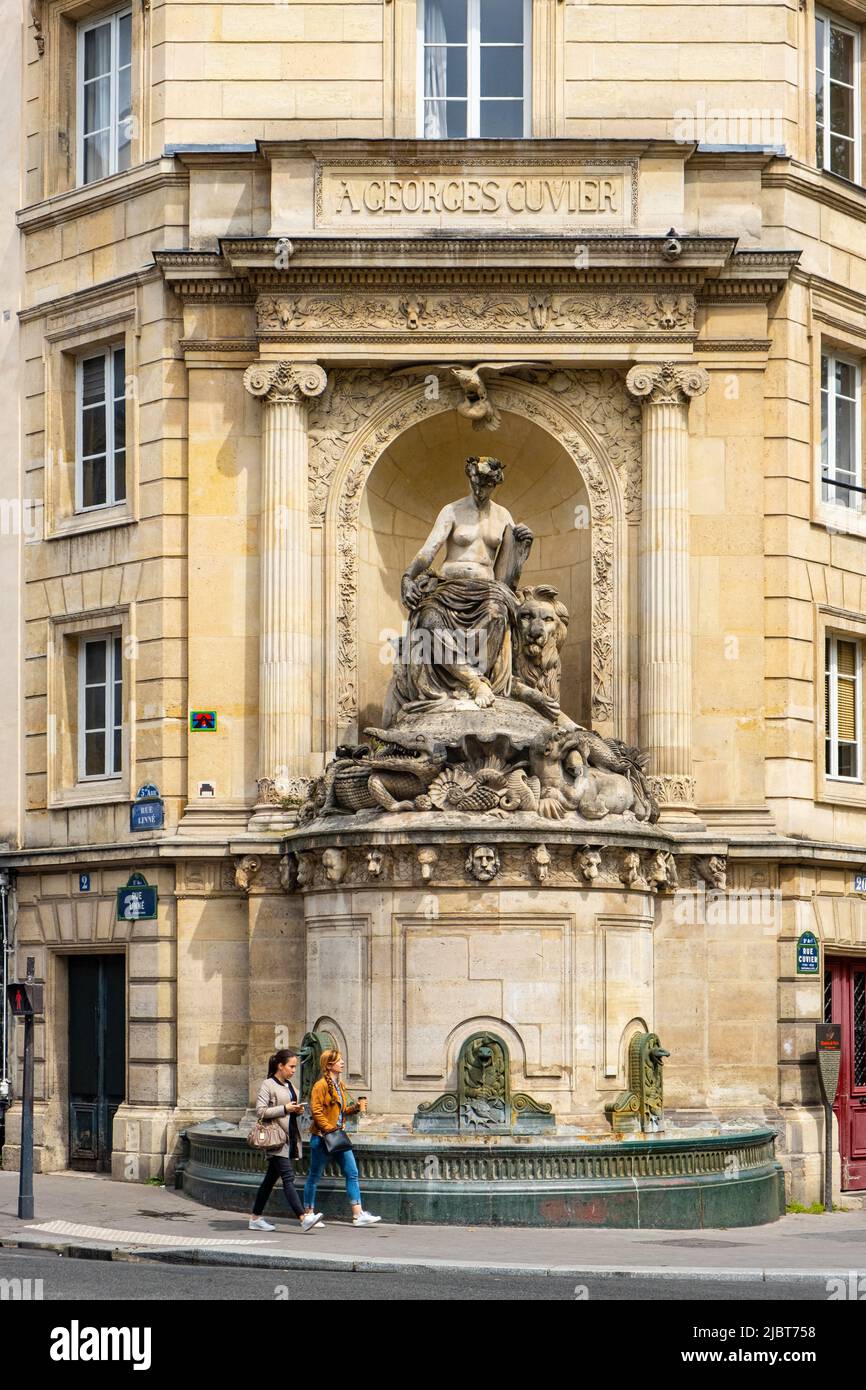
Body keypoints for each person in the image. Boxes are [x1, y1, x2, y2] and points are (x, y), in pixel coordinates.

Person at [383, 455, 533, 723]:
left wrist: (524, 546)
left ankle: (478, 680)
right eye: (475, 483)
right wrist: (408, 577)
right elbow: (429, 550)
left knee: (498, 611)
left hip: (487, 589)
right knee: (428, 619)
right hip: (448, 588)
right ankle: (472, 680)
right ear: (470, 478)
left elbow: (507, 572)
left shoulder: (503, 516)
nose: (479, 490)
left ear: (495, 483)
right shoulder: (451, 510)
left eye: (485, 485)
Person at [303, 1049, 381, 1227]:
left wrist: (355, 1108)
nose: (342, 1063)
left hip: (338, 1137)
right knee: (314, 1176)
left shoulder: (340, 1085)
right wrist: (329, 1129)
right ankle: (308, 1213)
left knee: (352, 1173)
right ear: (329, 1065)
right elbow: (316, 1112)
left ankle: (358, 1215)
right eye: (339, 1061)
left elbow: (340, 1111)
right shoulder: (320, 1085)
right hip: (324, 1137)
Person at [250, 1049, 322, 1233]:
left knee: (269, 1181)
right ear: (280, 1066)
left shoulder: (291, 1086)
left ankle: (255, 1218)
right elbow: (260, 1111)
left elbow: (290, 1110)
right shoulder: (268, 1085)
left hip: (290, 1138)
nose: (294, 1070)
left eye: (295, 1067)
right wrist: (285, 1109)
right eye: (291, 1066)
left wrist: (296, 1110)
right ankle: (303, 1217)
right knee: (288, 1178)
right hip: (275, 1139)